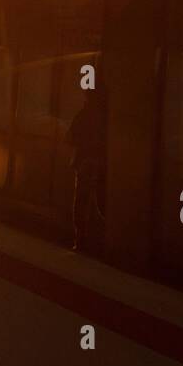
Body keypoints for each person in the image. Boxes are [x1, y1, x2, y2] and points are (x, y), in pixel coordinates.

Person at [67, 78, 108, 252]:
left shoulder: (82, 115)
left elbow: (70, 138)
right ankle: (100, 237)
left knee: (81, 202)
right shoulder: (106, 117)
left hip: (84, 163)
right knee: (99, 201)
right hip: (101, 164)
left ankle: (81, 239)